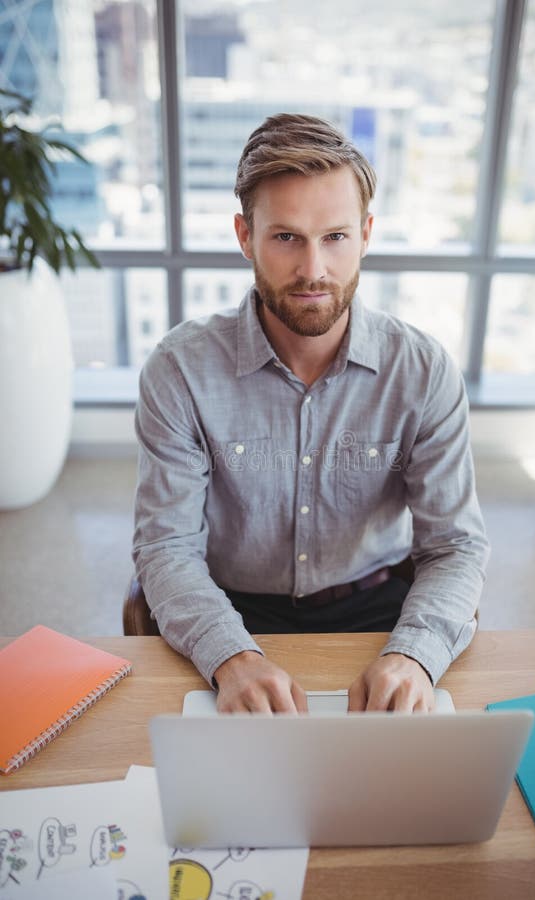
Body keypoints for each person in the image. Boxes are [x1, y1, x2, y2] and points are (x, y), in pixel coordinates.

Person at [133, 113, 489, 715]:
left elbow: (455, 546)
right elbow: (166, 547)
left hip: (381, 617)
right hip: (231, 612)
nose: (314, 270)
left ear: (366, 233)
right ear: (246, 237)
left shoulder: (424, 371)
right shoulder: (178, 371)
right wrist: (230, 657)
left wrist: (415, 654)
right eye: (286, 237)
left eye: (335, 237)